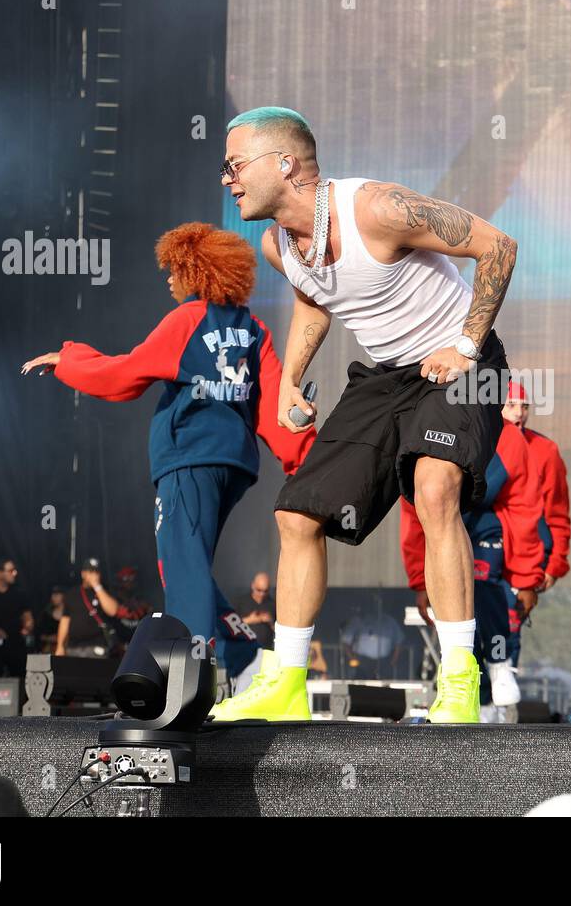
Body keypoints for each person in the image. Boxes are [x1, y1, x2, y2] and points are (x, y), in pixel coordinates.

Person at [211, 107, 520, 724]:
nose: (228, 180)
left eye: (235, 165)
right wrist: (290, 381)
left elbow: (498, 246)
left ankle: (459, 681)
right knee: (296, 516)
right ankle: (287, 682)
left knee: (435, 490)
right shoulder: (277, 243)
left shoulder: (376, 209)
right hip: (384, 379)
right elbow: (315, 303)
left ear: (285, 163)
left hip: (462, 362)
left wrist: (462, 345)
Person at [22, 222, 313, 679]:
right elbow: (276, 407)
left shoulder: (187, 319)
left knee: (179, 567)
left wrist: (69, 360)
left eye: (174, 270)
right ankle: (241, 653)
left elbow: (125, 377)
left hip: (190, 459)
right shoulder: (253, 328)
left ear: (195, 272)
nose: (168, 279)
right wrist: (305, 463)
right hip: (233, 465)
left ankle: (194, 678)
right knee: (189, 564)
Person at [400, 411, 545, 719]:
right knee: (457, 599)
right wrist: (420, 580)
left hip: (489, 528)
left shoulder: (508, 437)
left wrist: (528, 577)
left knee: (481, 581)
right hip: (446, 527)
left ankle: (499, 662)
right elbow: (414, 514)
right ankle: (462, 682)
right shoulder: (423, 428)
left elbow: (525, 507)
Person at [501, 382, 571, 592]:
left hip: (529, 560)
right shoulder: (479, 446)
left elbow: (557, 512)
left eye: (524, 406)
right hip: (485, 555)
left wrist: (555, 562)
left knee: (510, 622)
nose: (519, 413)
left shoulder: (545, 450)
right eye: (511, 405)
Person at [57, 559, 122, 658]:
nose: (94, 575)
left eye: (96, 572)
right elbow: (65, 620)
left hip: (97, 647)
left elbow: (113, 611)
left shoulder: (105, 591)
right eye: (91, 572)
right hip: (73, 647)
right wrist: (60, 645)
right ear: (83, 574)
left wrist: (97, 586)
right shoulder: (72, 594)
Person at [0, 558, 31, 678]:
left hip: (15, 643)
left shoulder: (19, 593)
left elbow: (27, 616)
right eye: (10, 570)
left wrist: (28, 626)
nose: (15, 573)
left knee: (20, 677)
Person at [234, 572, 275, 650]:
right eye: (259, 590)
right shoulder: (242, 602)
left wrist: (270, 622)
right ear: (253, 586)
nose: (262, 594)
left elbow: (281, 632)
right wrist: (250, 620)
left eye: (265, 591)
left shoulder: (273, 604)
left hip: (266, 650)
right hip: (245, 649)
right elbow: (230, 626)